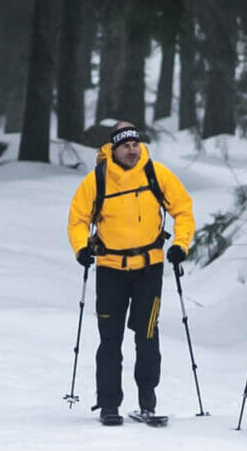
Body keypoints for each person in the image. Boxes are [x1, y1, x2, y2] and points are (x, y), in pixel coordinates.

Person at [67, 123, 196, 425]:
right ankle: (109, 405)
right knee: (110, 339)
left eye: (135, 143)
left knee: (147, 334)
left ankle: (147, 403)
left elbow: (183, 209)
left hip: (149, 268)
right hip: (110, 269)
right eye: (125, 145)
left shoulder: (156, 173)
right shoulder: (97, 180)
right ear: (114, 148)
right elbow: (78, 219)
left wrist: (180, 245)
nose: (132, 149)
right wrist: (80, 248)